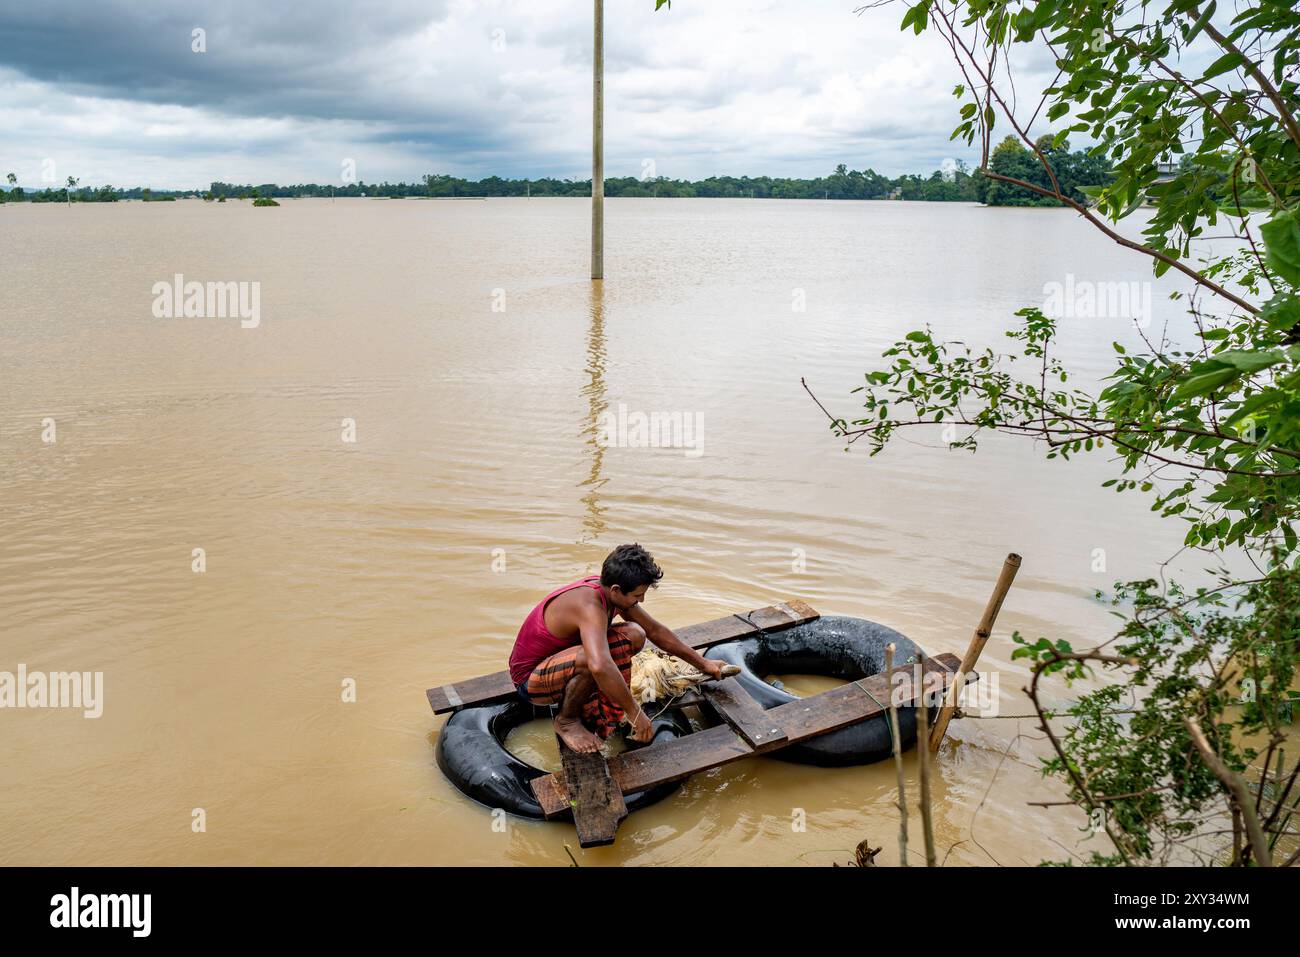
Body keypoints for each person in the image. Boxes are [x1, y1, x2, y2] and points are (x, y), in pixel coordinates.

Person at [508, 543, 727, 753]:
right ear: (615, 590)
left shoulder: (609, 594)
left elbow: (654, 631)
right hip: (531, 681)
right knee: (593, 660)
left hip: (561, 664)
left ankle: (589, 706)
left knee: (634, 633)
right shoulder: (589, 605)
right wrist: (635, 712)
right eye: (637, 595)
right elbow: (600, 665)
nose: (641, 599)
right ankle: (566, 721)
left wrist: (703, 663)